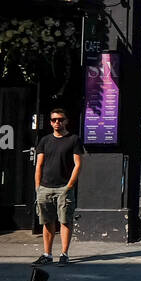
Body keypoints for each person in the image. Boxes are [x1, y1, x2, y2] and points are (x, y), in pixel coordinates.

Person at [35, 107, 83, 265]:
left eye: (60, 119)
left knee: (65, 221)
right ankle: (47, 254)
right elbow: (39, 165)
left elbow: (77, 164)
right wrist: (38, 187)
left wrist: (69, 185)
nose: (57, 122)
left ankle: (64, 254)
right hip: (45, 187)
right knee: (47, 221)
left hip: (64, 187)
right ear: (50, 122)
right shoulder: (45, 140)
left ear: (66, 121)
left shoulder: (73, 139)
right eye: (54, 120)